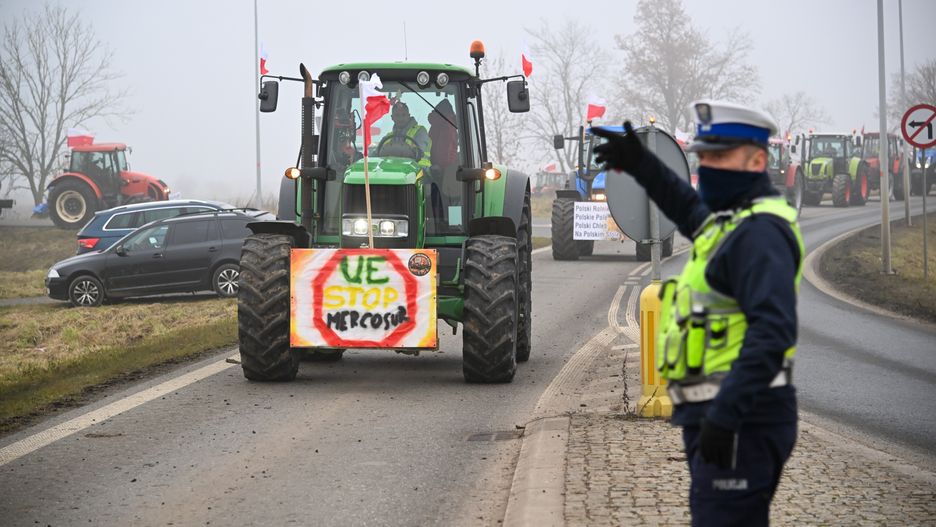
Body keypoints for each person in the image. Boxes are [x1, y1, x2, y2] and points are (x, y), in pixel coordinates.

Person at [592, 100, 803, 527]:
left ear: (757, 160)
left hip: (743, 419)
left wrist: (727, 413)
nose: (708, 167)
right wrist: (642, 164)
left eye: (720, 157)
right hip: (720, 416)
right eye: (703, 157)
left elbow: (773, 331)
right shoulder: (731, 224)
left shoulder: (760, 232)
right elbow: (687, 207)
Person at [379, 101, 431, 169]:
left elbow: (419, 152)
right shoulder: (387, 137)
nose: (400, 118)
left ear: (409, 116)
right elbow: (375, 154)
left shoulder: (420, 131)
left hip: (419, 170)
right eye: (397, 115)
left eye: (403, 115)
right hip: (393, 170)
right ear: (392, 117)